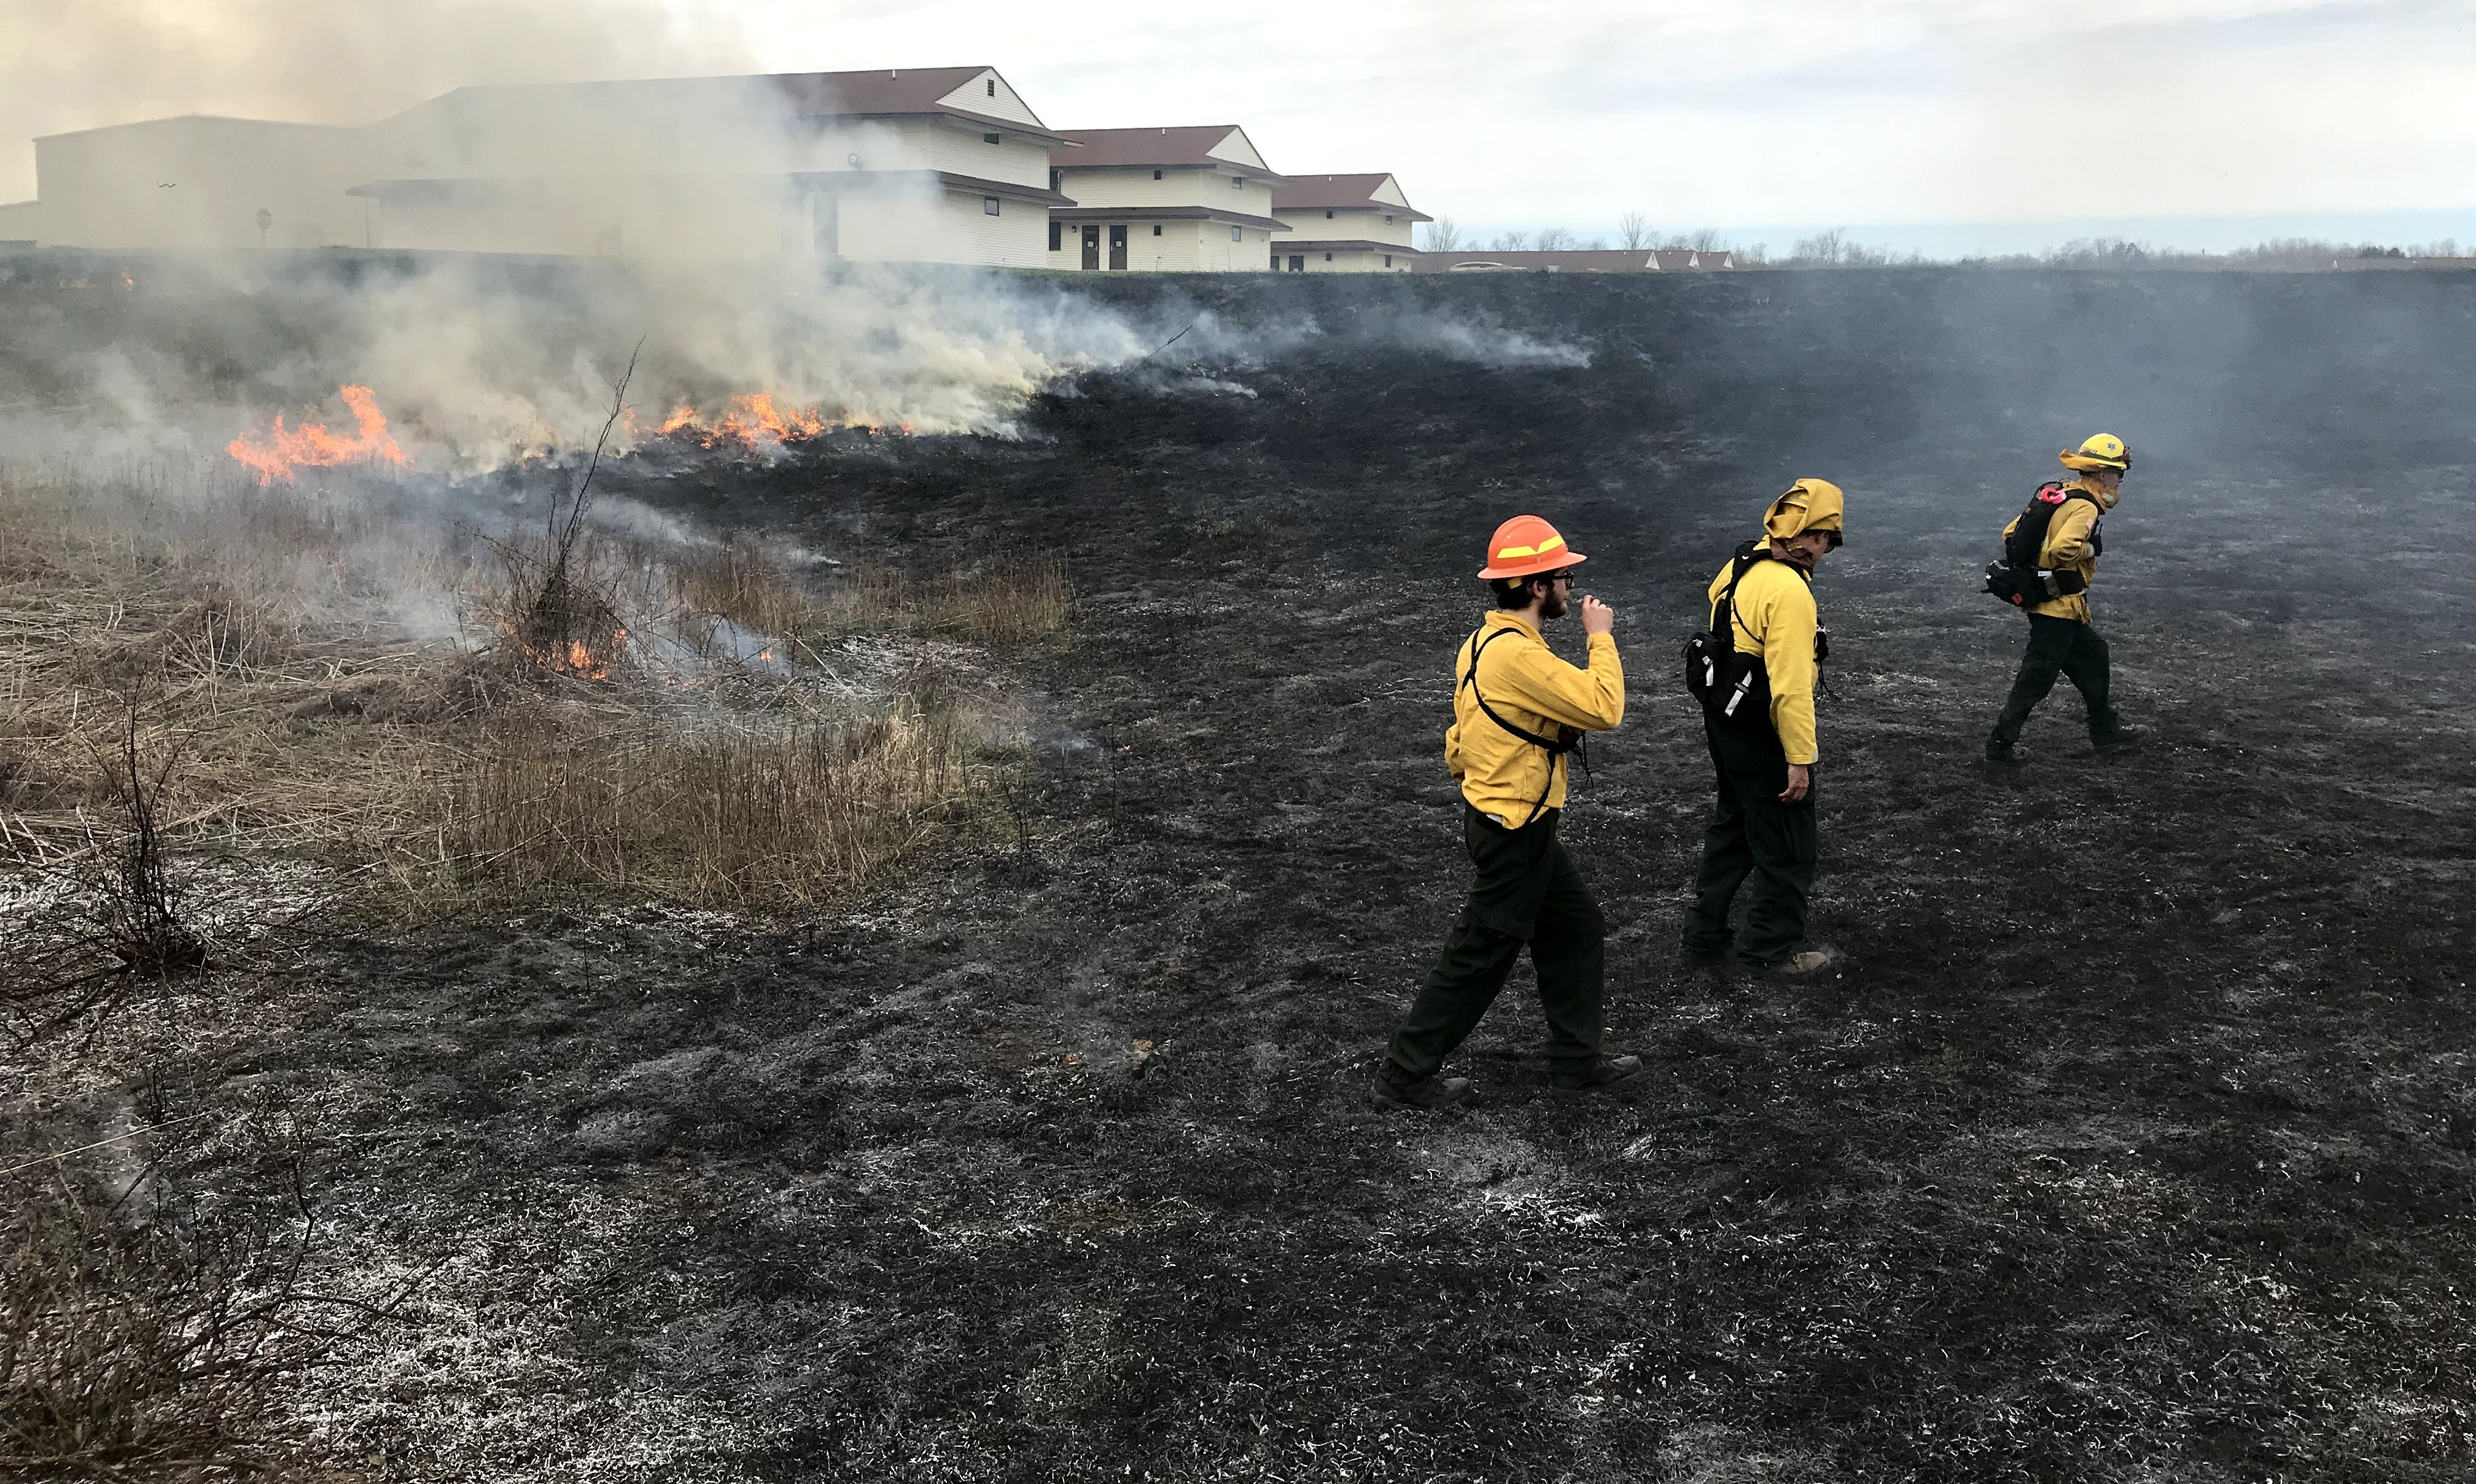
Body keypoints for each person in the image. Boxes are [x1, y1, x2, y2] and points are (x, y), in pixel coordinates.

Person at [1372, 515, 1637, 1111]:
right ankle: (1405, 1072)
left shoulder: (1483, 642)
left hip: (1508, 820)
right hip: (1515, 830)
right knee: (1480, 954)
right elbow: (1605, 707)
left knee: (1575, 926)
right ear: (1539, 586)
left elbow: (1461, 738)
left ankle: (1576, 1060)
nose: (1572, 585)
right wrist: (1600, 635)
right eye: (1564, 575)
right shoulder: (1517, 656)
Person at [1681, 480, 1844, 977]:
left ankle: (1704, 932)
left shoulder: (1741, 564)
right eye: (1828, 539)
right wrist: (1800, 758)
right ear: (1808, 536)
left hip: (1725, 720)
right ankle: (1772, 950)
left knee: (1735, 826)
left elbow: (1718, 605)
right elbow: (1791, 688)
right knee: (1788, 842)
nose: (1828, 550)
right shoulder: (1791, 591)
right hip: (1762, 730)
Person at [1985, 433, 2143, 763]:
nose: (2120, 479)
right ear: (2101, 473)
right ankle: (2000, 745)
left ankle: (2105, 732)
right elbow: (2063, 549)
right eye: (2119, 472)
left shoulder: (2059, 494)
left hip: (2054, 602)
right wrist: (2090, 548)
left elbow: (2010, 532)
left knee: (2095, 656)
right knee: (2037, 677)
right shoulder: (2085, 505)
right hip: (2058, 607)